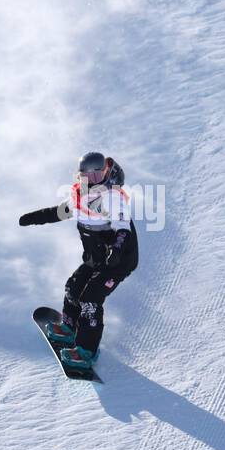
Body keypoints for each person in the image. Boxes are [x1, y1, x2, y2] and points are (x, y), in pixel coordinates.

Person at [19, 152, 138, 369]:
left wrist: (117, 251)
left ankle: (86, 351)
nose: (92, 182)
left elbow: (123, 229)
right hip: (96, 259)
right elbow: (57, 212)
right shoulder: (79, 198)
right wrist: (33, 218)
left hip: (118, 261)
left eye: (97, 176)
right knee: (73, 288)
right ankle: (69, 326)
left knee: (91, 299)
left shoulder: (113, 197)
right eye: (86, 178)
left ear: (106, 172)